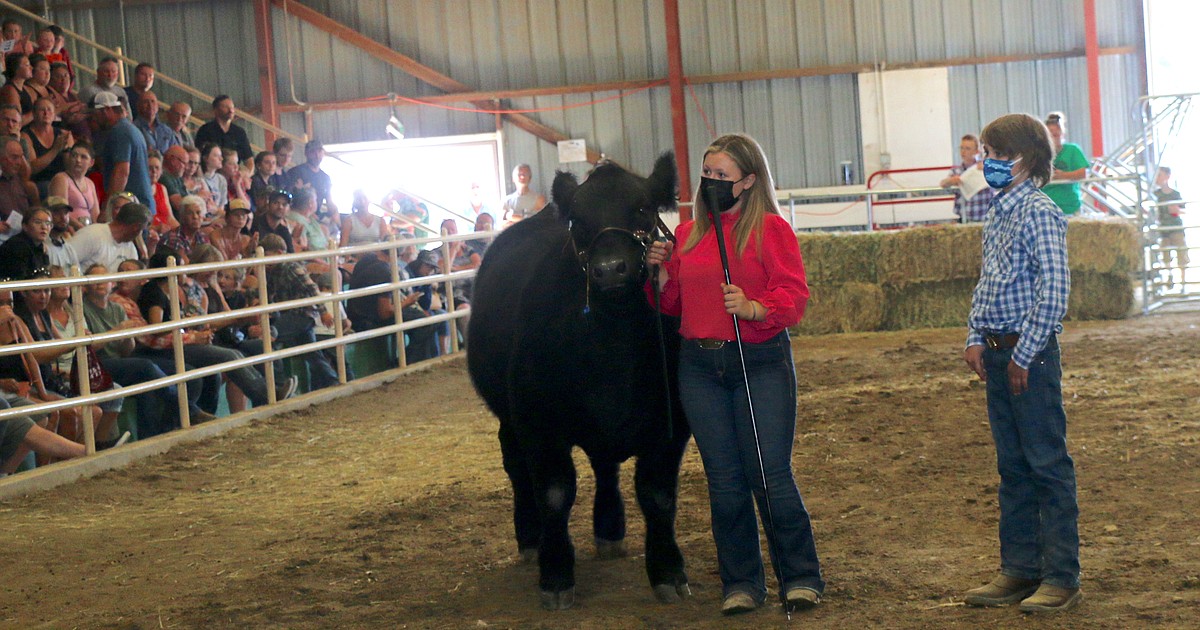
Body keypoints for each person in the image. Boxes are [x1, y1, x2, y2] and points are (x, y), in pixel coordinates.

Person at [645, 132, 824, 615]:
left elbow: (794, 295)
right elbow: (672, 305)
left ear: (747, 181)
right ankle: (741, 582)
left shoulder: (771, 229)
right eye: (707, 174)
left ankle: (800, 575)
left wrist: (754, 307)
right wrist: (661, 276)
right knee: (723, 479)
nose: (711, 183)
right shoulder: (687, 235)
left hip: (758, 360)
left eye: (721, 176)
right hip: (699, 366)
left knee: (769, 473)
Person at [961, 113, 1080, 613]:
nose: (986, 163)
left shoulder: (1037, 211)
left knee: (1046, 464)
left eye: (995, 156)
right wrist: (975, 335)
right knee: (1013, 467)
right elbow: (989, 283)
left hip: (1025, 355)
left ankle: (1060, 575)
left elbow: (1054, 292)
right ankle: (1019, 568)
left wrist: (1024, 354)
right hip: (997, 350)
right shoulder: (999, 212)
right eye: (986, 154)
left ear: (1026, 160)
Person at [138, 247, 296, 414]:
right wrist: (186, 326)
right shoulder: (154, 292)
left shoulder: (172, 290)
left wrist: (189, 326)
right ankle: (267, 396)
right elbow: (158, 326)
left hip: (183, 341)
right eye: (181, 267)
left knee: (237, 355)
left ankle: (270, 393)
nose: (185, 271)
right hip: (168, 347)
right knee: (230, 356)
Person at [260, 234, 339, 390]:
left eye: (267, 256)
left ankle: (279, 383)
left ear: (279, 253)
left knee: (271, 336)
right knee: (311, 352)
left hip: (300, 314)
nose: (266, 261)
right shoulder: (275, 269)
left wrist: (324, 312)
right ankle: (332, 379)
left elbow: (311, 288)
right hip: (301, 315)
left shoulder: (290, 267)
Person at [346, 247, 438, 363]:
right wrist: (407, 302)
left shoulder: (367, 260)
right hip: (369, 320)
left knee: (423, 319)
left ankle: (411, 361)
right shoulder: (385, 271)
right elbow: (385, 313)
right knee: (426, 323)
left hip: (356, 315)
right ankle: (408, 363)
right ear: (399, 256)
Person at [92, 91, 154, 216]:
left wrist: (107, 207)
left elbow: (121, 172)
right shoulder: (131, 129)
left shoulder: (119, 132)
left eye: (96, 114)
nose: (95, 119)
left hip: (131, 207)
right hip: (140, 204)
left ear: (106, 110)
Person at [69, 201, 149, 271]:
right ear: (136, 227)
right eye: (141, 230)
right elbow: (65, 261)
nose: (140, 234)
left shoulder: (130, 248)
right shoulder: (91, 234)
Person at [1041, 112, 1089, 216]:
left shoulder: (1072, 150)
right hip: (1046, 206)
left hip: (1069, 206)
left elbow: (1084, 173)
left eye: (1056, 134)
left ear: (1062, 133)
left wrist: (1062, 176)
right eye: (1051, 134)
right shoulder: (1040, 154)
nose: (1054, 137)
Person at [940, 134, 994, 223]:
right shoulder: (956, 171)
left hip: (986, 219)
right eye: (961, 148)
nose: (963, 152)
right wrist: (950, 182)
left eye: (967, 148)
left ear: (977, 151)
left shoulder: (985, 167)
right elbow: (942, 184)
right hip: (965, 218)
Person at [47, 142, 99, 229]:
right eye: (74, 155)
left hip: (88, 230)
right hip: (68, 229)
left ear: (91, 162)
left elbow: (96, 215)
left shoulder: (90, 183)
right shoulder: (61, 178)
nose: (78, 160)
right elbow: (60, 213)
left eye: (83, 157)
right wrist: (83, 229)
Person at [1153, 166, 1188, 290]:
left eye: (1160, 175)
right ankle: (1169, 276)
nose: (1157, 178)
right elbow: (1150, 211)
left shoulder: (1175, 194)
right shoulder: (1155, 195)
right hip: (1163, 230)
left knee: (1181, 254)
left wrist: (1177, 210)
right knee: (1165, 255)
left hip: (1176, 227)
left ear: (1168, 176)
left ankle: (1183, 283)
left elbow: (1184, 210)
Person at [193, 95, 252, 163]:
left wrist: (247, 172)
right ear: (215, 110)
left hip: (233, 170)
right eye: (226, 107)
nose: (231, 110)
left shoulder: (239, 132)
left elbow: (249, 159)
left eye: (232, 107)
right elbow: (199, 155)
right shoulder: (205, 130)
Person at [0, 136, 37, 245]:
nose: (19, 163)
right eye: (14, 158)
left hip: (24, 237)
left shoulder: (22, 182)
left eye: (21, 157)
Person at [285, 139, 336, 216]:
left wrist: (335, 215)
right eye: (313, 152)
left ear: (323, 153)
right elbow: (288, 198)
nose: (317, 155)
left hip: (317, 216)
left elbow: (329, 200)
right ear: (306, 153)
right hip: (298, 215)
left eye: (319, 151)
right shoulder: (295, 172)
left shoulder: (325, 178)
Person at [0, 206, 51, 281]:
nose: (44, 227)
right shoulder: (17, 245)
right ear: (25, 226)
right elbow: (21, 280)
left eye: (48, 223)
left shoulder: (41, 247)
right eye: (38, 222)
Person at [133, 90, 178, 155]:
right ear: (138, 106)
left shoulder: (166, 130)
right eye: (145, 102)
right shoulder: (134, 129)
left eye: (153, 101)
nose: (150, 105)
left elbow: (175, 152)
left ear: (157, 106)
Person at [252, 188, 294, 253]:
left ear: (288, 209)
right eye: (276, 203)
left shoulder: (284, 231)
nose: (280, 207)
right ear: (268, 205)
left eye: (284, 204)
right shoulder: (255, 223)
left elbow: (291, 255)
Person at [0, 53, 34, 126]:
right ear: (16, 68)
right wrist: (36, 112)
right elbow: (16, 122)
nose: (31, 68)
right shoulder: (9, 90)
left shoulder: (24, 87)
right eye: (27, 65)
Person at [196, 142, 228, 217]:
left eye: (221, 156)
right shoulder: (198, 178)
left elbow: (221, 209)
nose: (221, 159)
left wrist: (216, 210)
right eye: (216, 156)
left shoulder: (221, 180)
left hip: (216, 218)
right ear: (205, 158)